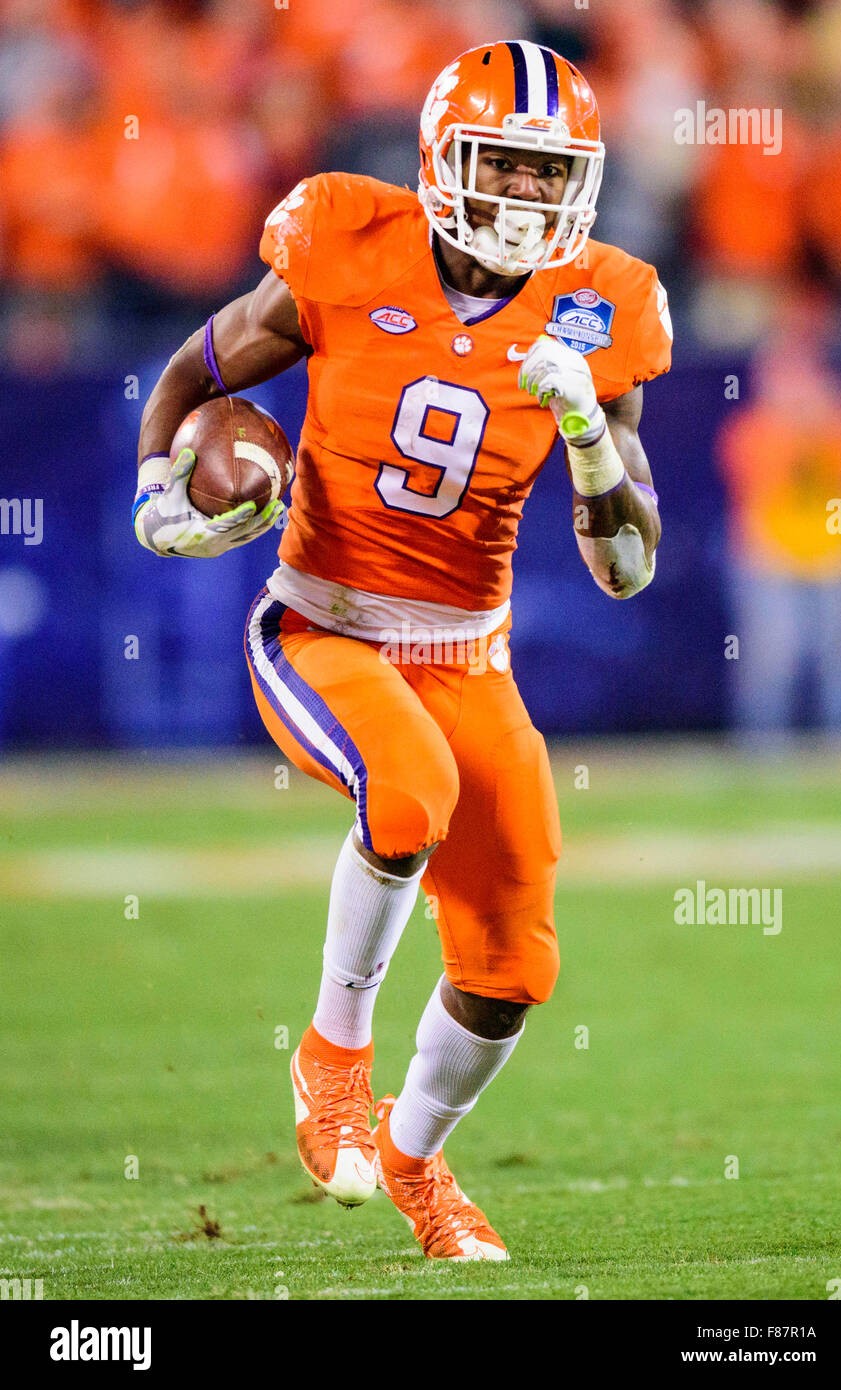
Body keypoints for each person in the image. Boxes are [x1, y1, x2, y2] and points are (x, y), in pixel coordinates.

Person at [133, 40, 672, 1261]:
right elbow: (193, 368)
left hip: (470, 656)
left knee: (514, 966)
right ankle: (330, 1059)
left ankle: (419, 1163)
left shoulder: (605, 302)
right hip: (322, 622)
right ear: (441, 161)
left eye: (553, 173)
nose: (532, 196)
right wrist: (152, 489)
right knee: (408, 788)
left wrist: (587, 431)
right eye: (508, 165)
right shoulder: (341, 238)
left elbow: (626, 568)